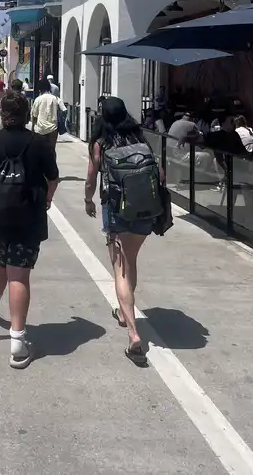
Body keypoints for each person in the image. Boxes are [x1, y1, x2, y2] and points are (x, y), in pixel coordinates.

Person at [0, 90, 59, 369]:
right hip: (28, 218)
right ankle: (17, 341)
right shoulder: (39, 143)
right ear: (27, 114)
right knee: (19, 274)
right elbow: (53, 178)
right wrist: (47, 199)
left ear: (2, 114)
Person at [84, 97, 164, 366]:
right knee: (131, 262)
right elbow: (159, 173)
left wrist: (88, 200)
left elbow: (91, 177)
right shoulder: (139, 138)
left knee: (119, 270)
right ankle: (123, 311)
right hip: (145, 210)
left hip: (116, 210)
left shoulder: (101, 143)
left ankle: (133, 333)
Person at [31, 76, 66, 151]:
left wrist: (32, 128)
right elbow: (64, 110)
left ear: (40, 89)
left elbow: (34, 115)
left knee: (41, 150)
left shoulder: (38, 99)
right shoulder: (55, 98)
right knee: (52, 150)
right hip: (53, 128)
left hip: (41, 129)